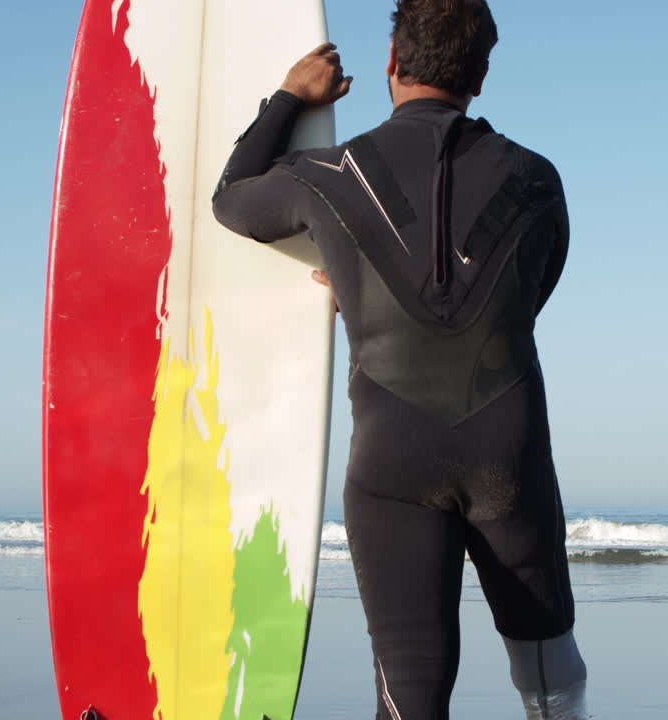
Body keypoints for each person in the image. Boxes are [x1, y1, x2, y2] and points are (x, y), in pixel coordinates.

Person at [212, 1, 585, 718]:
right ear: (481, 74)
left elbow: (232, 202)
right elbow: (523, 302)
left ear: (391, 63)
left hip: (393, 463)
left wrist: (290, 97)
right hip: (508, 453)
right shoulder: (539, 181)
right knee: (547, 666)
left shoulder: (328, 174)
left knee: (410, 692)